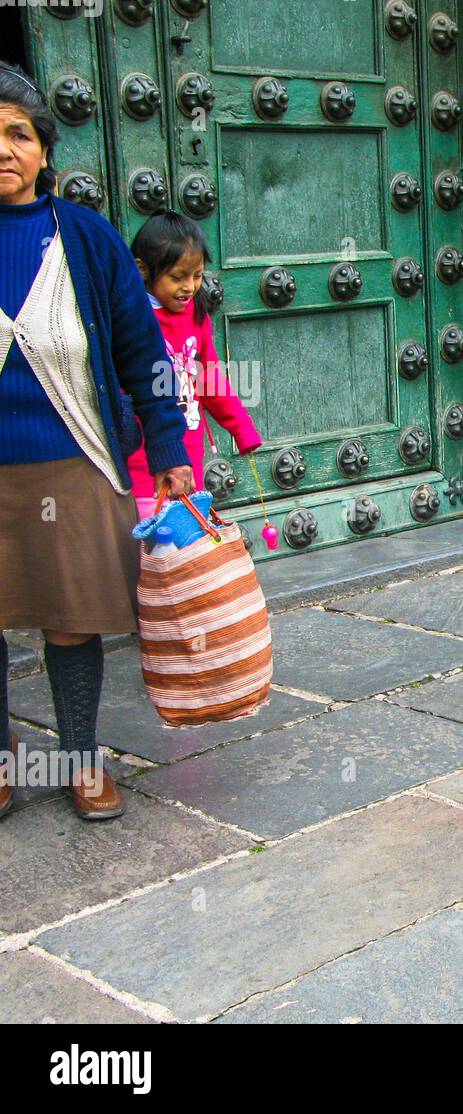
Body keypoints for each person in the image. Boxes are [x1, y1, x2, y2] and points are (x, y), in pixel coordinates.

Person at [0, 63, 193, 822]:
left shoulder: (84, 239)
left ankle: (80, 759)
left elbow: (143, 353)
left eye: (18, 133)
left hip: (70, 467)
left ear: (45, 150)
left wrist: (171, 449)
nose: (4, 149)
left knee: (69, 619)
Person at [127, 210, 261, 520]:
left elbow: (210, 377)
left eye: (197, 276)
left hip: (188, 454)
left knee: (185, 537)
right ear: (143, 270)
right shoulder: (131, 320)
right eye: (177, 277)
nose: (189, 286)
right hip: (142, 460)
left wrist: (241, 427)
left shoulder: (195, 316)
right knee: (153, 540)